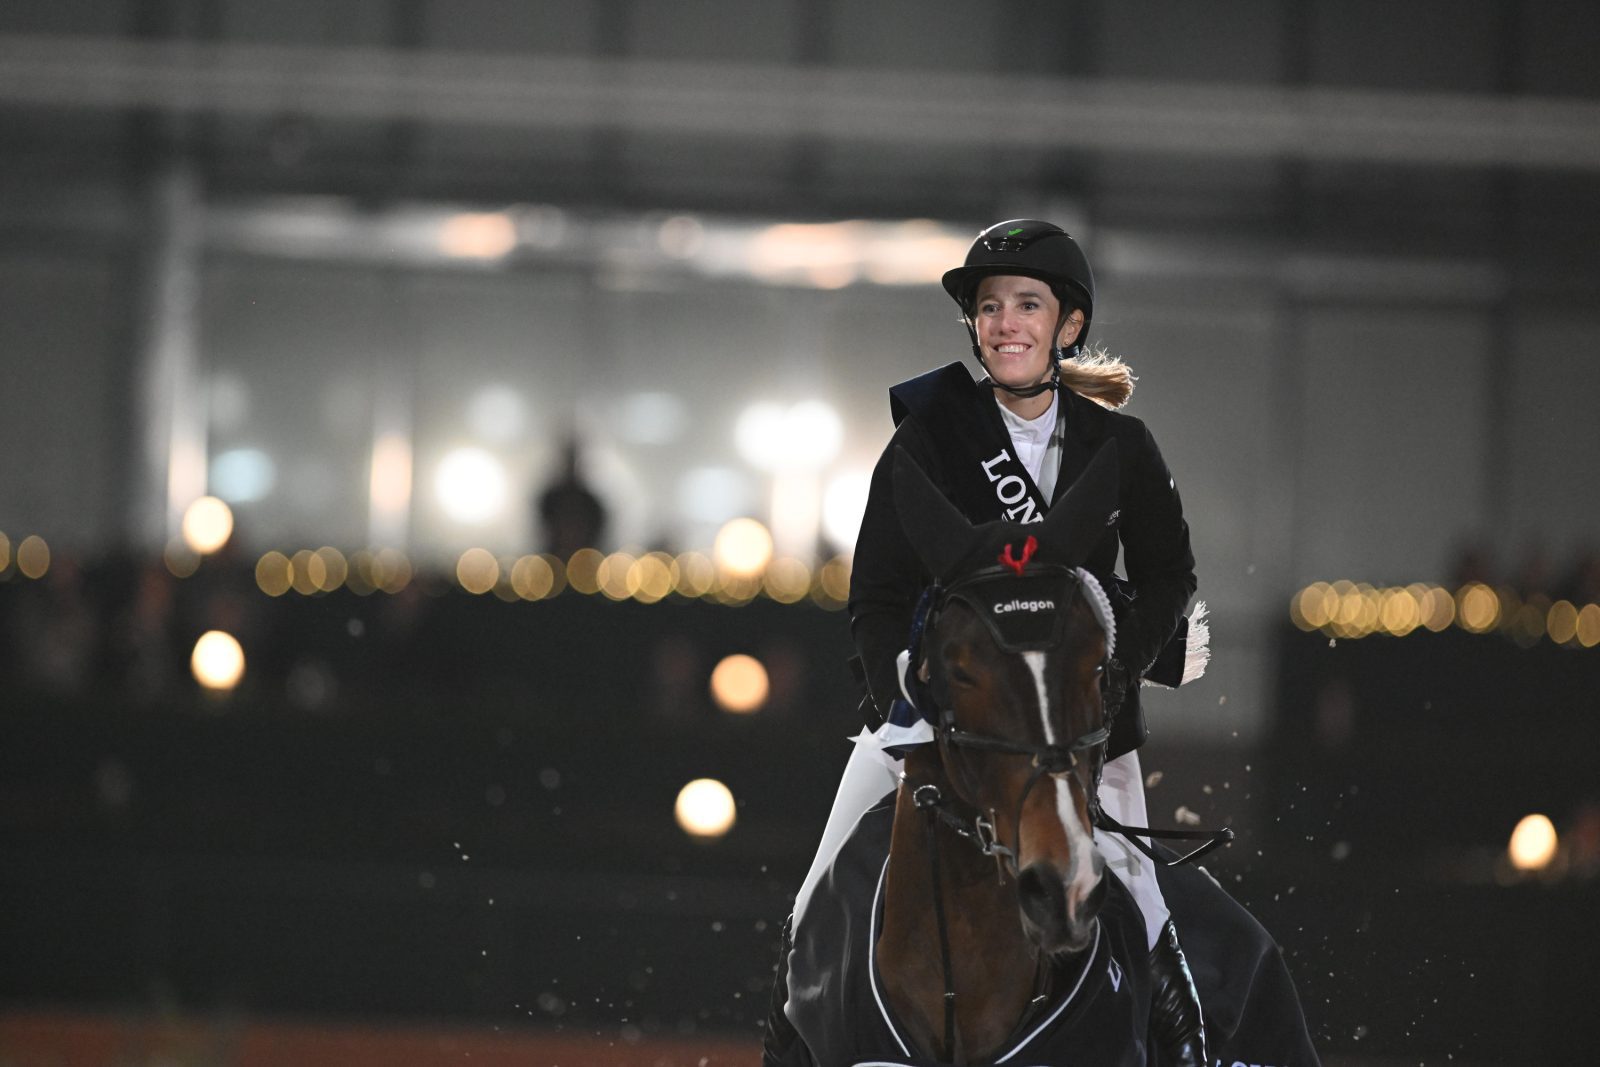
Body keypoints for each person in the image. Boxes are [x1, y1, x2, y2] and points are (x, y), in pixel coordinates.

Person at [765, 220, 1210, 1065]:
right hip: (938, 714)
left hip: (1075, 725)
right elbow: (876, 596)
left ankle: (1187, 1047)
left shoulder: (1121, 446)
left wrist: (1110, 684)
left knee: (1147, 905)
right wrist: (909, 689)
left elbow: (1169, 578)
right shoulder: (928, 439)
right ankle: (787, 1047)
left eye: (1027, 306)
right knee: (815, 892)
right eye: (991, 307)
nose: (1006, 323)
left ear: (1067, 325)